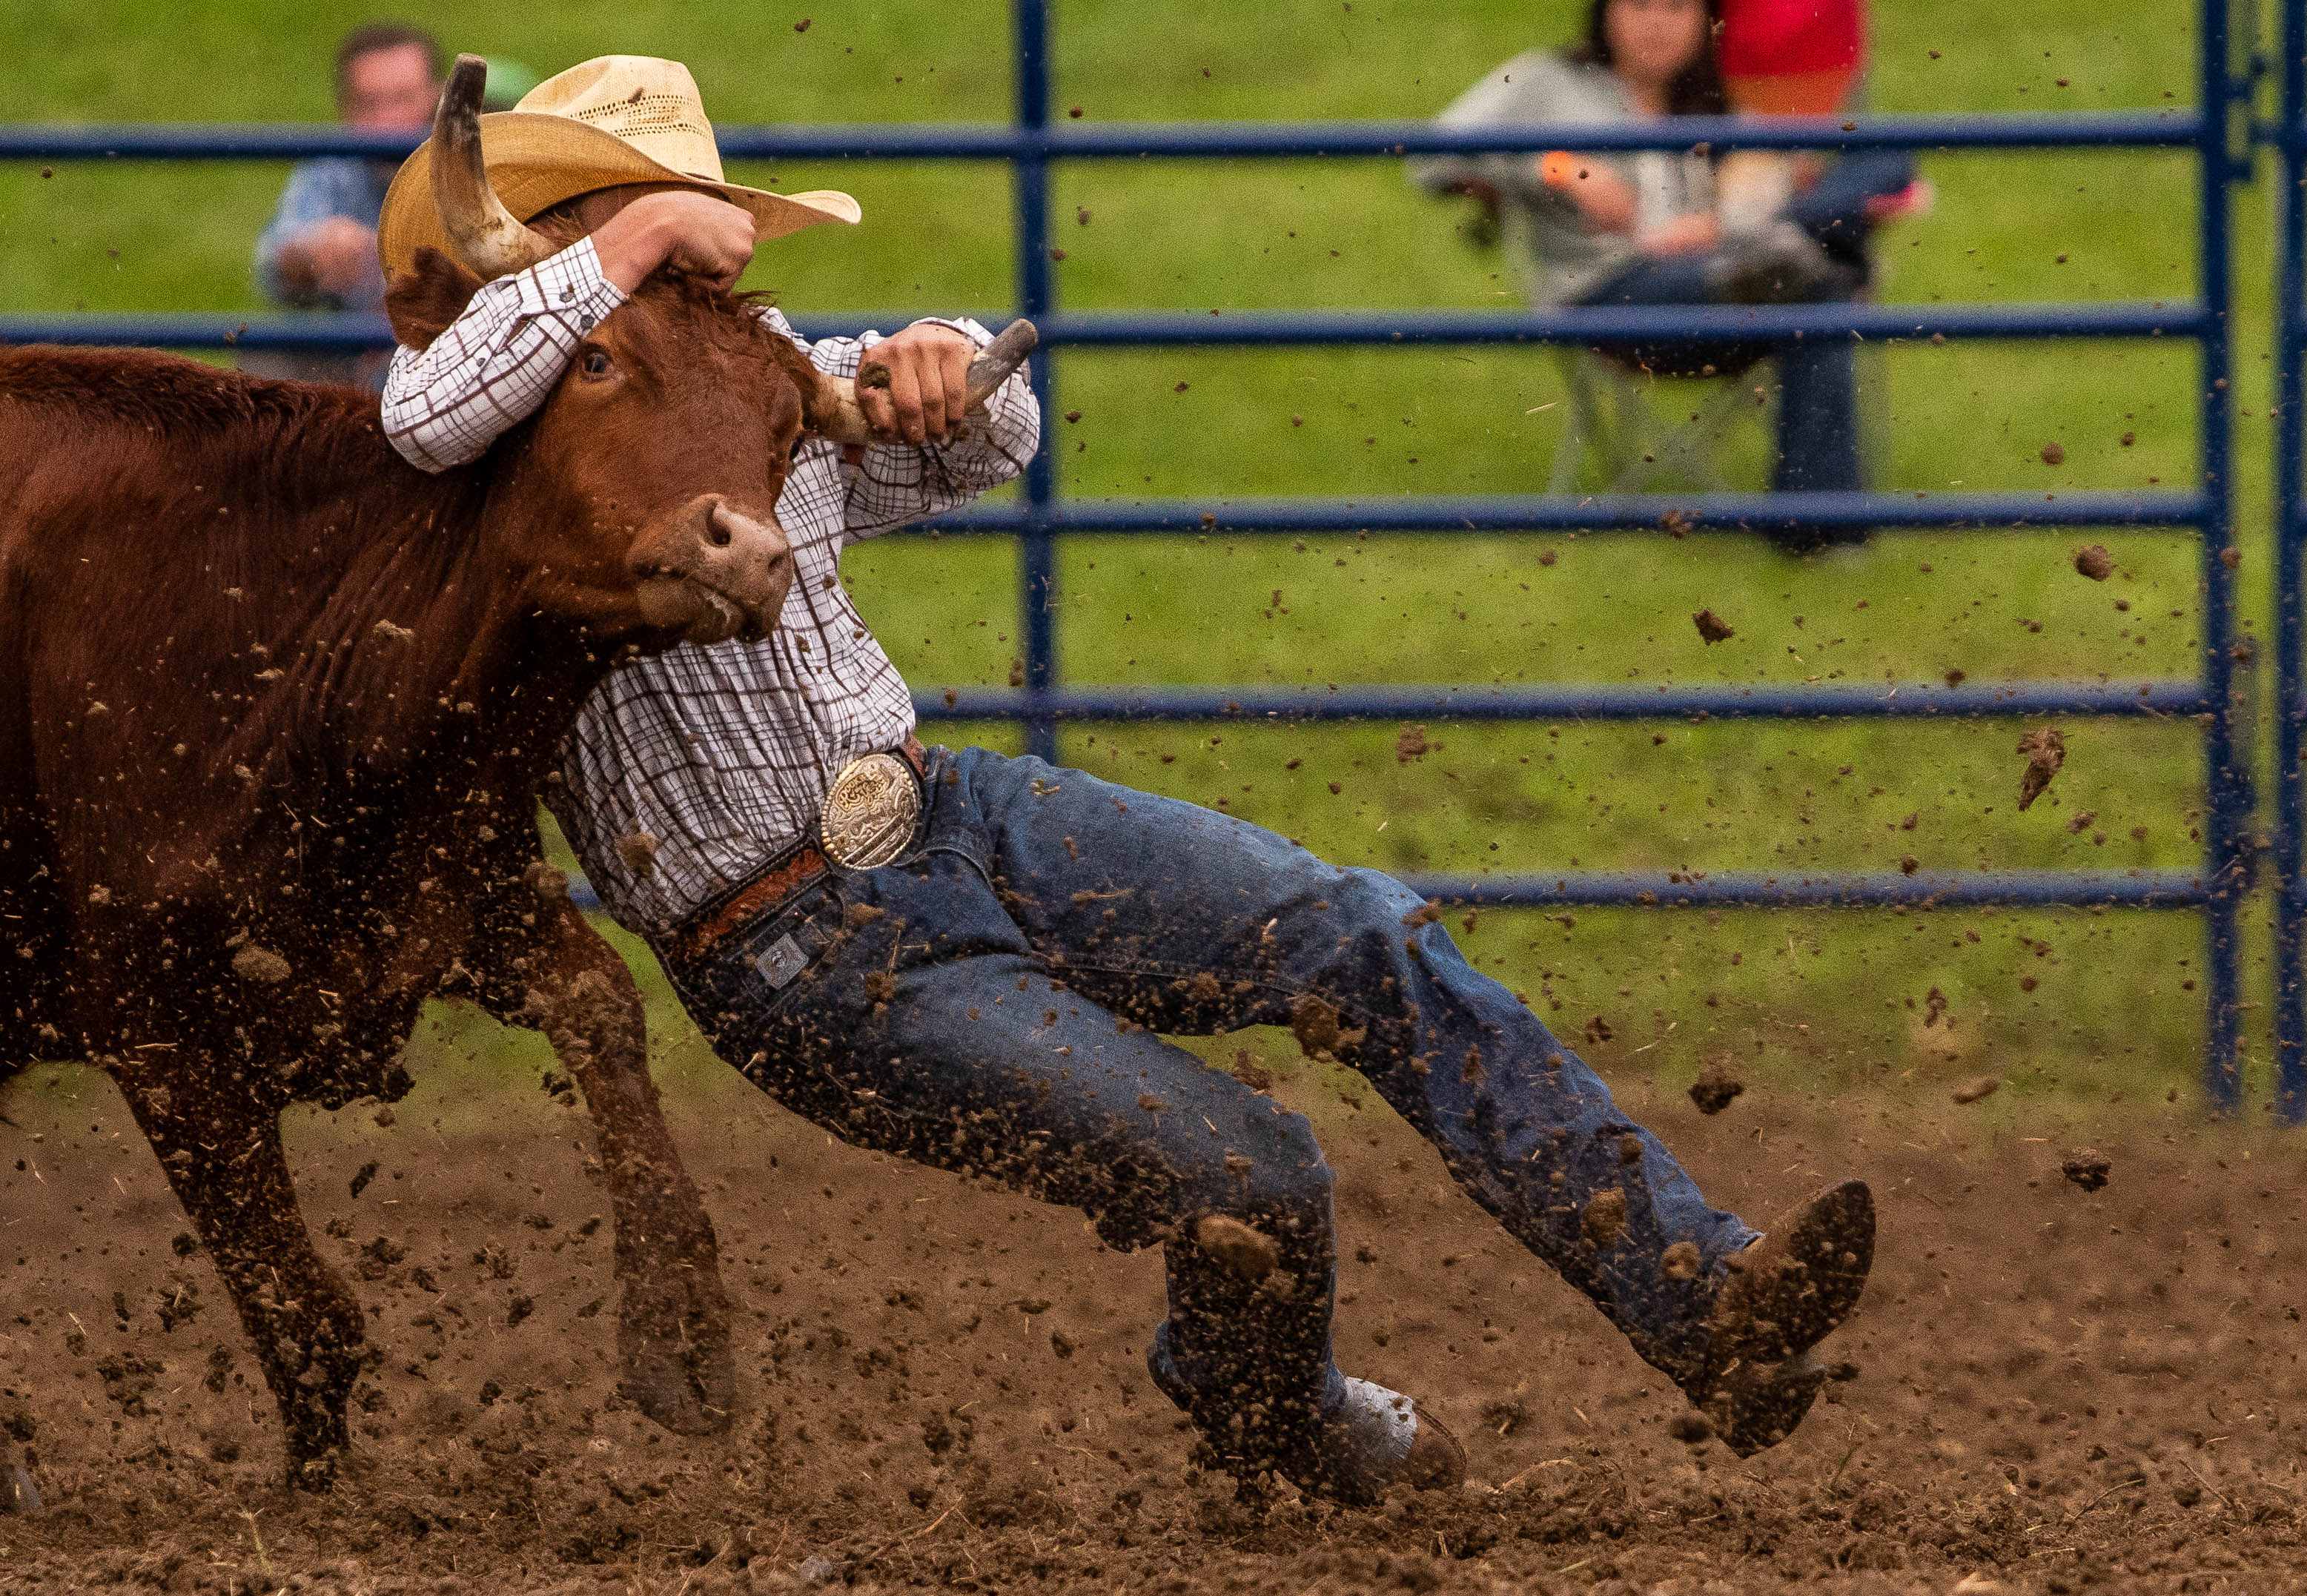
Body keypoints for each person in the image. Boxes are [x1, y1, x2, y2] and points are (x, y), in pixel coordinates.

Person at [378, 53, 1879, 1506]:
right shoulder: (509, 437)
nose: (682, 250)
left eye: (686, 218)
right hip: (790, 945)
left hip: (951, 812)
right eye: (640, 215)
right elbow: (415, 410)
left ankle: (1708, 1301)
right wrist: (631, 239)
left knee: (1364, 932)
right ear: (569, 233)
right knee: (1257, 1171)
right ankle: (1281, 1414)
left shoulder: (754, 382)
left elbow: (995, 429)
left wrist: (948, 372)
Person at [1413, 0, 1916, 548]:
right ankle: (1821, 532)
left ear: (1704, 21)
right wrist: (1559, 167)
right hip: (1613, 295)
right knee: (1815, 286)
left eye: (1677, 7)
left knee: (1862, 187)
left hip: (1725, 284)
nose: (1656, 22)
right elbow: (1431, 156)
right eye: (1639, 4)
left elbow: (1804, 165)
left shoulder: (1715, 99)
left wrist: (1730, 213)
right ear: (1604, 12)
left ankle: (1817, 530)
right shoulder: (1547, 80)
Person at [249, 22, 445, 386]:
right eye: (370, 104)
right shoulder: (333, 167)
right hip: (356, 377)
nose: (388, 122)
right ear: (345, 110)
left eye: (403, 98)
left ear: (439, 99)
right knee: (267, 350)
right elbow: (270, 270)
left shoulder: (472, 165)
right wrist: (311, 256)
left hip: (452, 359)